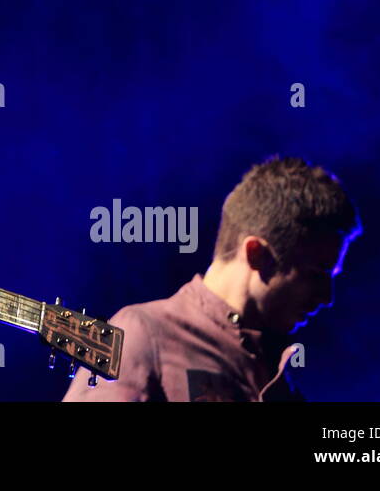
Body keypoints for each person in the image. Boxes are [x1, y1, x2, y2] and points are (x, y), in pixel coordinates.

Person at [64, 155, 359, 402]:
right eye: (315, 273)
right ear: (256, 254)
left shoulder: (277, 372)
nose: (327, 297)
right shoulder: (141, 333)